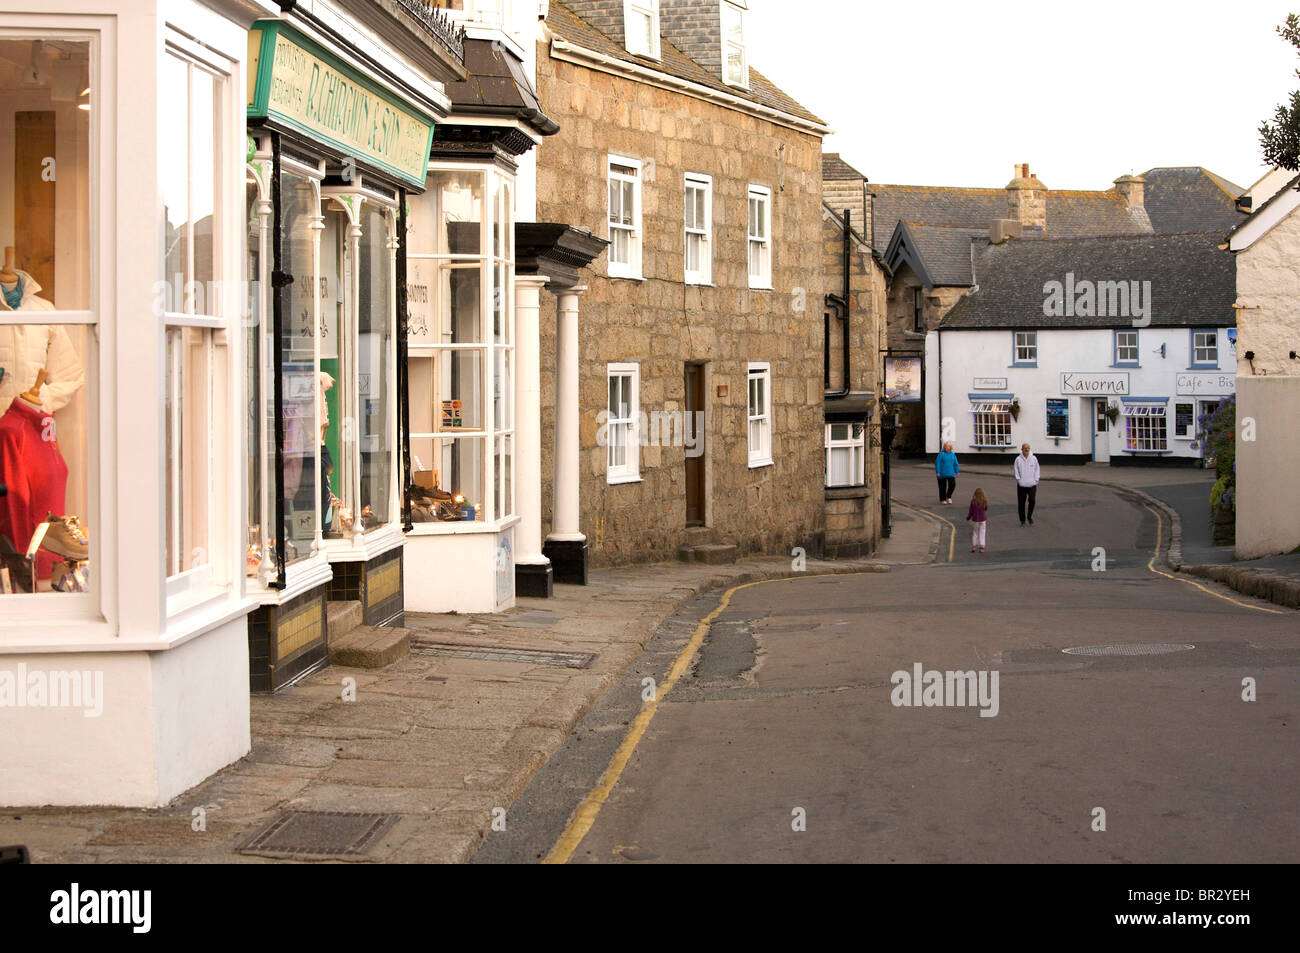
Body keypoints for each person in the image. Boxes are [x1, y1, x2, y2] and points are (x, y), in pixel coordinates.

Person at [1014, 443, 1040, 525]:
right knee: (1021, 503)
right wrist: (1019, 480)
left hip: (1032, 484)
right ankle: (1022, 520)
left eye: (1028, 448)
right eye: (1025, 448)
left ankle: (1029, 517)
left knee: (1032, 501)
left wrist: (1036, 480)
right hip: (1021, 485)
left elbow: (1037, 470)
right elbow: (1016, 471)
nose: (1026, 449)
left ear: (1030, 449)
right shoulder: (1018, 459)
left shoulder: (1034, 458)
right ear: (1022, 449)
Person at [966, 487, 988, 552]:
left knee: (975, 532)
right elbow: (986, 508)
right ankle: (982, 547)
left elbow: (971, 511)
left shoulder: (973, 502)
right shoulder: (984, 501)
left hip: (975, 519)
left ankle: (974, 546)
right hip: (983, 519)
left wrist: (968, 517)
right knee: (982, 532)